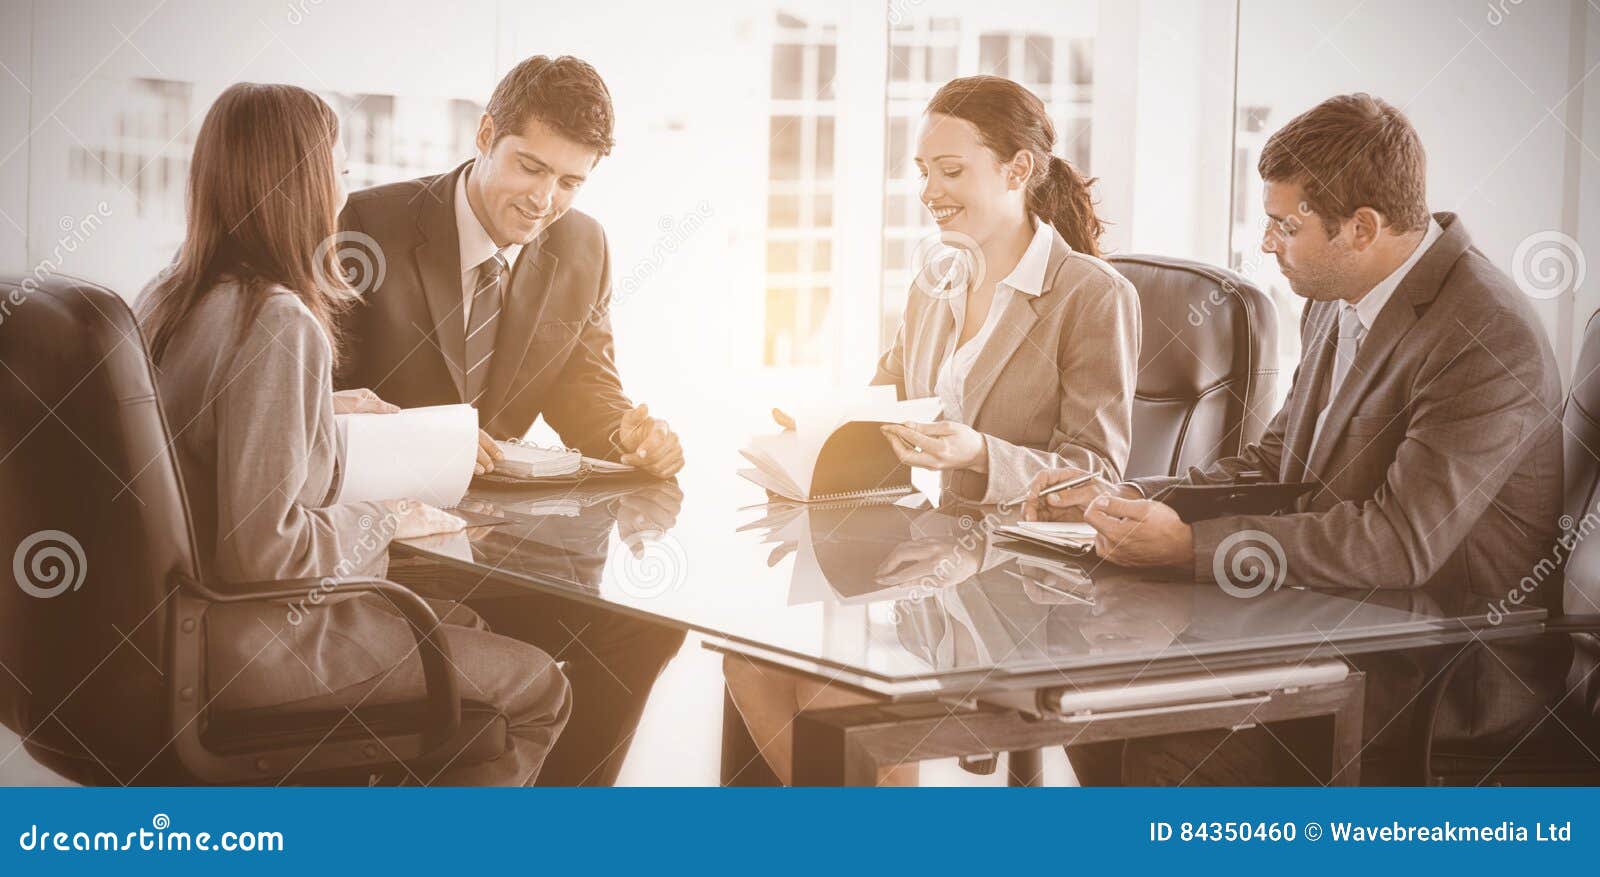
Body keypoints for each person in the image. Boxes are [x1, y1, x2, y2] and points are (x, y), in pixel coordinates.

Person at [1024, 93, 1569, 784]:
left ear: (1362, 228)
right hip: (1327, 618)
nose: (1266, 244)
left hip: (1440, 661)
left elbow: (1401, 541)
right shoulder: (1335, 298)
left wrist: (1194, 546)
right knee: (1097, 699)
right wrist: (1123, 494)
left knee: (1171, 746)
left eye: (1285, 225)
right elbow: (1276, 463)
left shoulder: (1485, 332)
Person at [135, 82, 570, 785]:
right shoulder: (277, 322)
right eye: (337, 171)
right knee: (538, 686)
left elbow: (206, 436)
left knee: (466, 625)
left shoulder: (171, 298)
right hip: (262, 643)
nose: (344, 189)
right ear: (303, 185)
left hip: (179, 636)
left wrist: (322, 412)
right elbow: (262, 549)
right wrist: (384, 521)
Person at [727, 74, 1142, 784]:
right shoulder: (936, 279)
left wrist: (980, 452)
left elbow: (1096, 475)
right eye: (923, 172)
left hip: (1026, 592)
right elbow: (888, 388)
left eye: (950, 171)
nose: (929, 192)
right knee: (752, 656)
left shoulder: (1092, 296)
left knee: (849, 693)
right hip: (931, 573)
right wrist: (818, 433)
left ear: (1018, 170)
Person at [333, 55, 685, 785]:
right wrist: (425, 441)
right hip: (389, 550)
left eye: (569, 181)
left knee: (644, 625)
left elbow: (586, 384)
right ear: (486, 134)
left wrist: (626, 432)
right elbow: (320, 402)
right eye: (530, 168)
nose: (545, 199)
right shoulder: (371, 223)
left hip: (495, 551)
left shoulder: (582, 245)